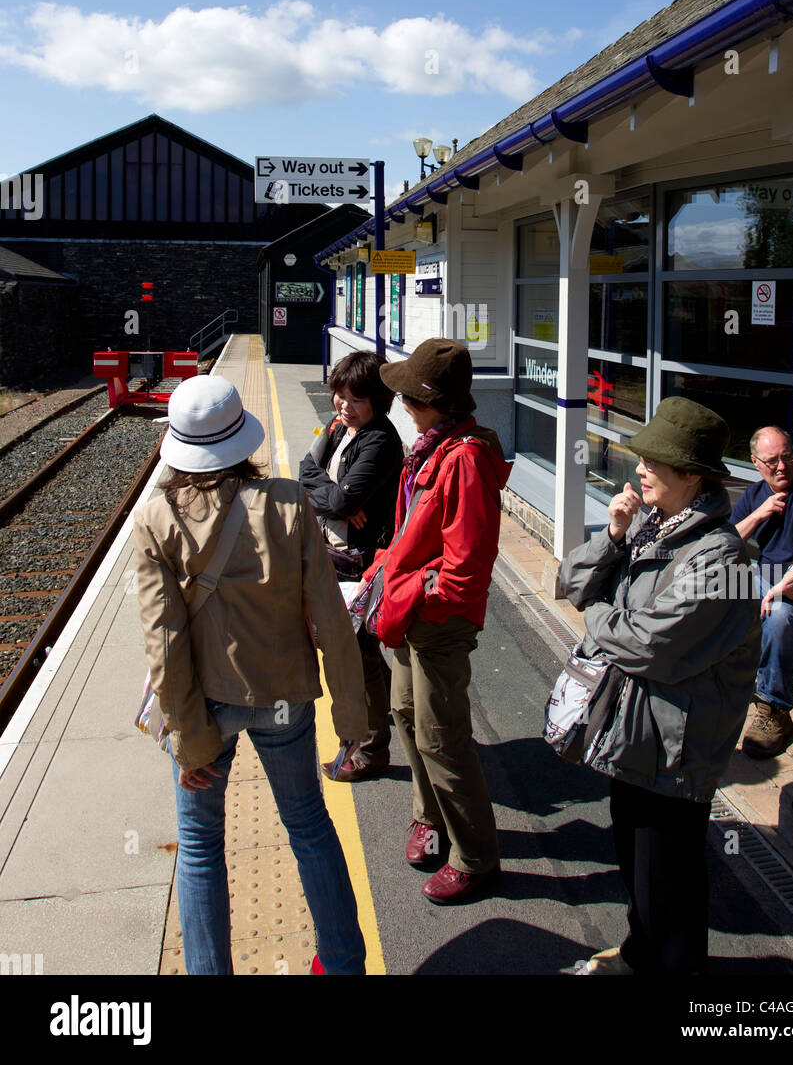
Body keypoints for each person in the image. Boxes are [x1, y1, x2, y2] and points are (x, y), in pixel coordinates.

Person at [134, 374, 367, 975]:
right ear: (242, 438)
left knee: (202, 848)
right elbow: (332, 622)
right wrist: (351, 717)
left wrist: (187, 741)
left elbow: (163, 641)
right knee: (310, 826)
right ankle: (343, 963)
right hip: (285, 698)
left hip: (204, 703)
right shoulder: (290, 502)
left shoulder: (159, 518)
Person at [559, 397, 760, 976]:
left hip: (677, 750)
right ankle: (637, 954)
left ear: (692, 476)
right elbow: (571, 581)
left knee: (670, 892)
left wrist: (597, 615)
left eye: (655, 461)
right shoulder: (650, 526)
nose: (639, 468)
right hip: (637, 735)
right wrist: (613, 537)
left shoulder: (721, 557)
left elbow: (650, 646)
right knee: (637, 872)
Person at [362, 338, 511, 906]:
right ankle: (430, 818)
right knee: (405, 711)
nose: (398, 402)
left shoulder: (464, 458)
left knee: (443, 738)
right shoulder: (432, 447)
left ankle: (476, 859)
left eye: (407, 395)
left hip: (436, 620)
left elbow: (465, 570)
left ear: (432, 403)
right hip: (411, 612)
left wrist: (418, 593)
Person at [298, 351, 403, 781]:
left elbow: (341, 500)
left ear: (378, 400)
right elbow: (305, 471)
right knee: (362, 655)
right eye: (339, 395)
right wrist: (335, 497)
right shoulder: (341, 428)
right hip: (332, 555)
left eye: (355, 398)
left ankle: (371, 751)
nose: (343, 405)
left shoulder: (379, 440)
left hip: (356, 563)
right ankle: (384, 717)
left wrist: (338, 499)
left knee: (356, 657)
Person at [730, 426, 793, 759]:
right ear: (755, 463)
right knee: (702, 589)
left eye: (787, 457)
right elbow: (725, 542)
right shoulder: (754, 495)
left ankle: (773, 708)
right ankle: (706, 679)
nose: (782, 467)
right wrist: (759, 513)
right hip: (763, 578)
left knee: (779, 615)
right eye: (772, 461)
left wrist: (791, 580)